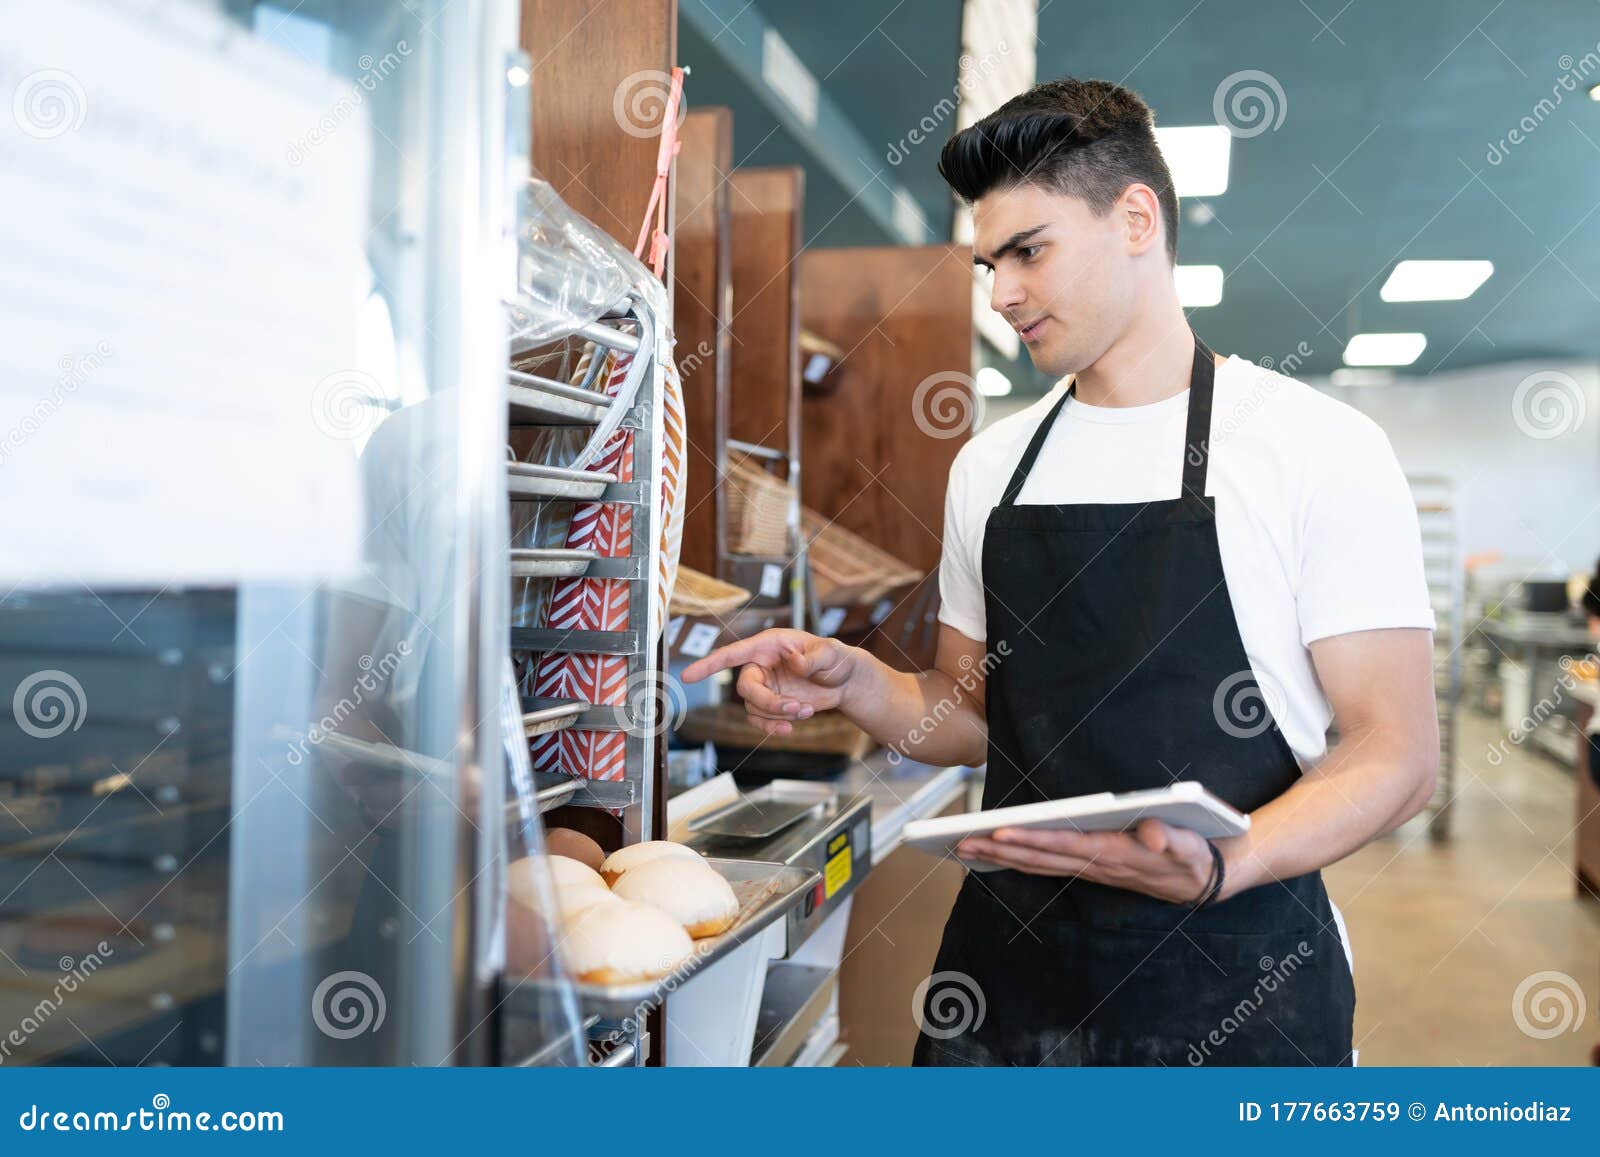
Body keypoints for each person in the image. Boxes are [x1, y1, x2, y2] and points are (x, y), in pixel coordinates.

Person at [684, 78, 1440, 1066]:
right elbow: (971, 713)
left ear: (1136, 220)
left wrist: (1229, 861)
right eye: (988, 263)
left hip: (1239, 979)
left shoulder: (1312, 447)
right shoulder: (992, 467)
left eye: (1028, 252)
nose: (1000, 294)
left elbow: (1396, 752)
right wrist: (858, 680)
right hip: (1007, 985)